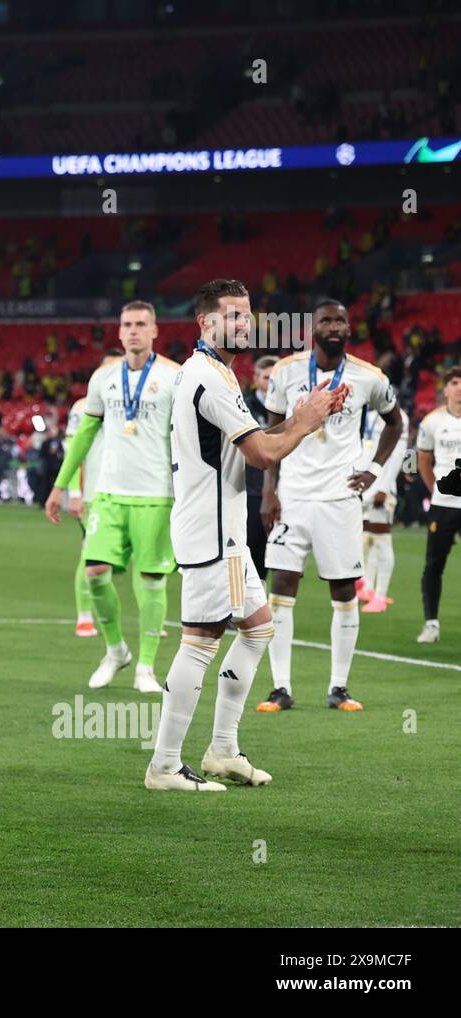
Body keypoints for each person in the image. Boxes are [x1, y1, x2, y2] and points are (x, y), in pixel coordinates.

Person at [146, 279, 344, 791]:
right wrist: (305, 422)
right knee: (199, 644)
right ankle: (164, 766)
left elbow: (256, 441)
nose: (242, 323)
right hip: (210, 535)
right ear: (204, 323)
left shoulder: (218, 373)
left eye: (246, 314)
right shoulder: (207, 378)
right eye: (231, 315)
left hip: (225, 534)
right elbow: (262, 456)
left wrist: (306, 418)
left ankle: (223, 751)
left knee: (257, 628)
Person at [256, 300, 401, 713]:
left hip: (340, 498)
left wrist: (373, 469)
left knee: (343, 589)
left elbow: (396, 422)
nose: (333, 327)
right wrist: (270, 488)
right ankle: (280, 688)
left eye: (340, 320)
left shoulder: (368, 376)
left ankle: (339, 687)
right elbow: (271, 431)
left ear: (349, 328)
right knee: (281, 588)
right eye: (326, 320)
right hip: (294, 497)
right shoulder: (285, 372)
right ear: (312, 328)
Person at [45, 302, 179, 694]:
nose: (134, 331)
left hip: (156, 493)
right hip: (108, 494)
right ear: (119, 333)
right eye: (127, 325)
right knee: (95, 573)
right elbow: (84, 436)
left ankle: (147, 668)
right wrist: (60, 485)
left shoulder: (174, 377)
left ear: (155, 330)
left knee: (152, 579)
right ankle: (116, 650)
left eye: (141, 324)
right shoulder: (103, 378)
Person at [63, 352, 118, 637]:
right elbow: (74, 448)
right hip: (91, 493)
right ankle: (84, 615)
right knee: (92, 554)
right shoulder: (83, 406)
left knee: (136, 559)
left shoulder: (130, 406)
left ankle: (150, 619)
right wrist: (73, 492)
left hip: (125, 492)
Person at [415, 366, 461, 643]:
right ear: (444, 389)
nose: (459, 387)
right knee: (434, 564)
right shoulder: (431, 421)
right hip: (444, 504)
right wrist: (435, 489)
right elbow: (422, 458)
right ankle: (431, 623)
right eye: (454, 382)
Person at [357, 406, 408, 613]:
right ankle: (368, 588)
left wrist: (385, 488)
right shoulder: (366, 414)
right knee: (366, 539)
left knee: (381, 540)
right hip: (363, 487)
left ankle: (381, 595)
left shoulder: (398, 416)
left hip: (381, 489)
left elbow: (399, 455)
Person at [244, 355, 277, 580]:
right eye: (266, 377)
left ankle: (271, 610)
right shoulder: (244, 406)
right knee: (253, 554)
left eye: (275, 377)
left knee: (279, 559)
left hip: (283, 490)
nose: (271, 382)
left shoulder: (292, 406)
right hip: (252, 491)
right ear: (256, 378)